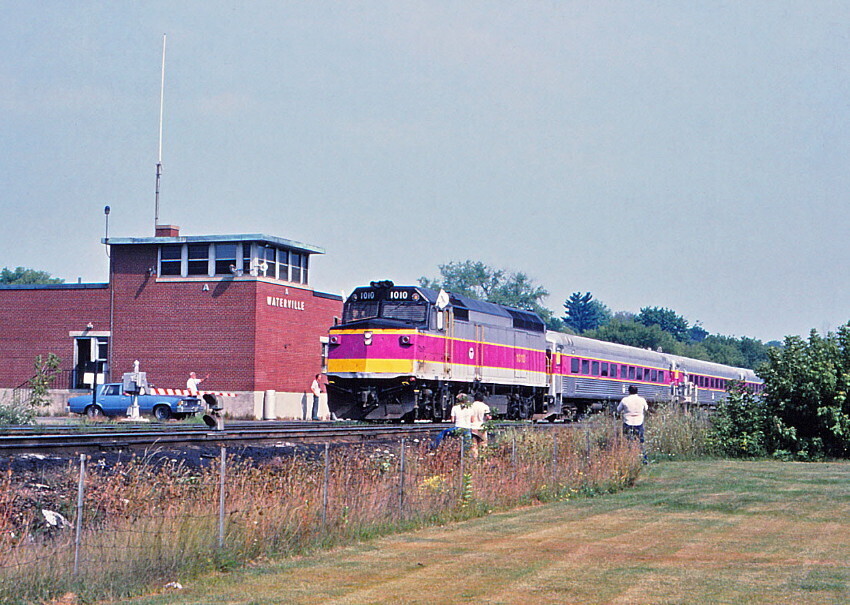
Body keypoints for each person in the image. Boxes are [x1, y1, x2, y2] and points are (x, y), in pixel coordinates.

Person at [617, 385, 649, 462]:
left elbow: (618, 409)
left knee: (628, 441)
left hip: (628, 422)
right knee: (641, 441)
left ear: (629, 391)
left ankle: (628, 458)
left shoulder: (625, 400)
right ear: (637, 391)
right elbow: (646, 408)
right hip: (639, 422)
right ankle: (644, 459)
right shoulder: (642, 400)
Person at [469, 393, 491, 458]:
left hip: (473, 427)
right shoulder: (485, 406)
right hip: (482, 427)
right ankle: (483, 460)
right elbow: (487, 417)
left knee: (474, 445)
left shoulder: (471, 406)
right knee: (483, 445)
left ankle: (474, 460)